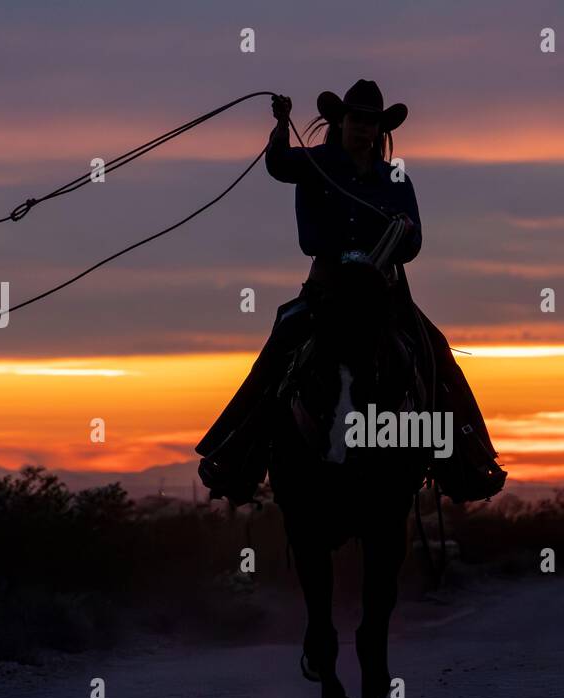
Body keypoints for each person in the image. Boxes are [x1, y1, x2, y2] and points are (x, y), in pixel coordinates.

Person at [195, 80, 505, 505]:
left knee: (436, 352)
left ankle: (470, 458)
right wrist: (282, 125)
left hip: (385, 294)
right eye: (356, 118)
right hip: (327, 290)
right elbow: (278, 165)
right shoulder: (315, 164)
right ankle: (233, 452)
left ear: (380, 128)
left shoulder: (395, 178)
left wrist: (405, 234)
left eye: (371, 121)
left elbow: (412, 248)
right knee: (280, 350)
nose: (363, 127)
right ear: (340, 121)